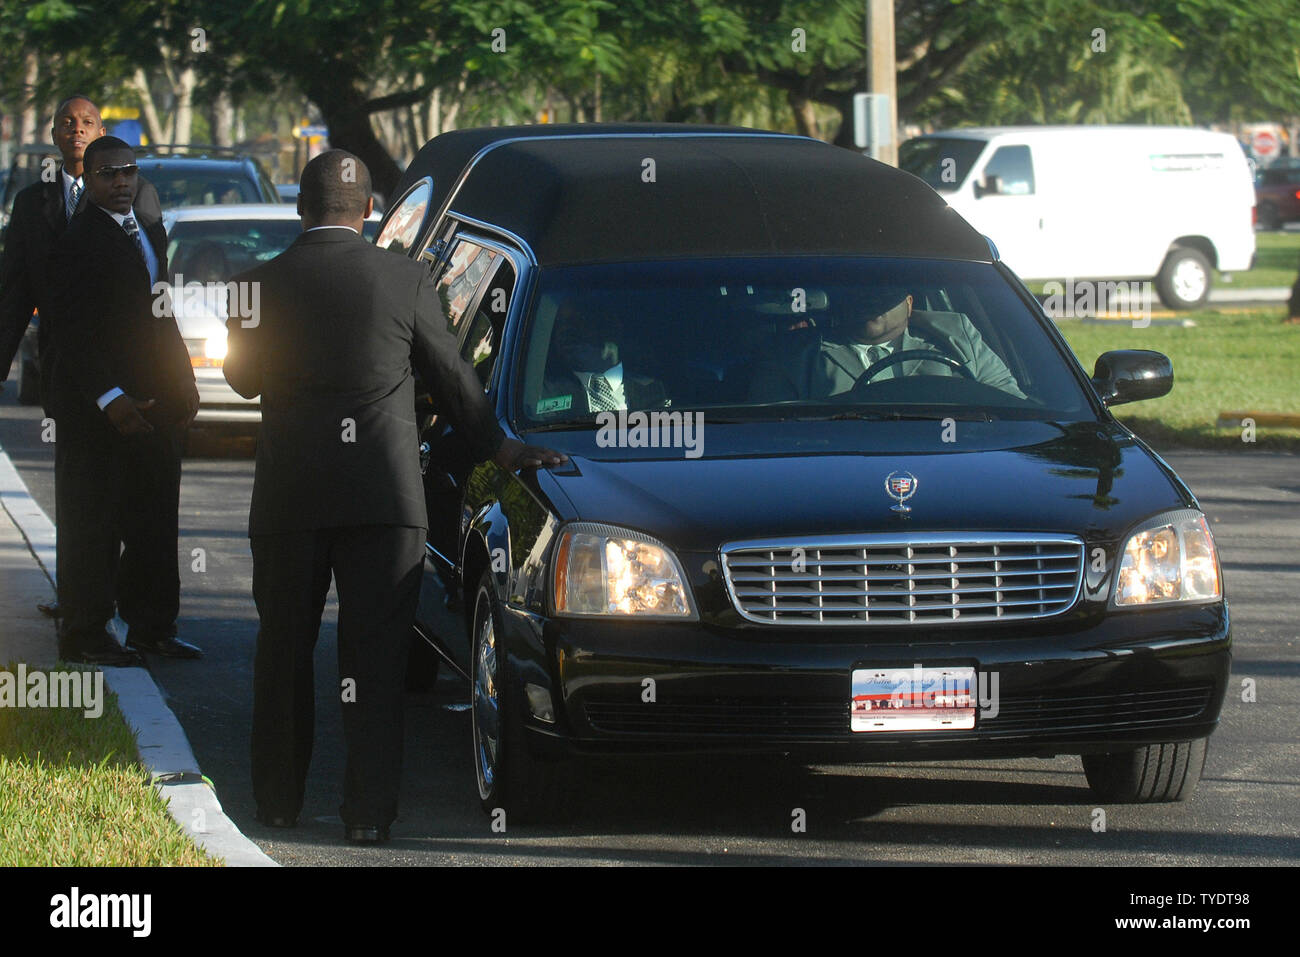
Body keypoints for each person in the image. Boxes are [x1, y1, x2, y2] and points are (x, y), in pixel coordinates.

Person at [223, 149, 565, 845]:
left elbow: (242, 384)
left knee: (283, 650)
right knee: (374, 659)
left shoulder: (255, 286)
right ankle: (369, 815)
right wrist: (502, 447)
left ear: (300, 206)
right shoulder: (407, 279)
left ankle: (279, 803)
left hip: (291, 501)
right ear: (371, 210)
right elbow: (455, 383)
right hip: (384, 496)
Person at [0, 95, 162, 623]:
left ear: (102, 131)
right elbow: (15, 292)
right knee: (81, 499)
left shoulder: (142, 197)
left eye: (87, 122)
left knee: (145, 505)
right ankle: (79, 602)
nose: (77, 130)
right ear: (53, 135)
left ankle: (149, 618)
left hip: (140, 374)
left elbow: (156, 287)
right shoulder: (33, 205)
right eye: (67, 123)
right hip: (70, 372)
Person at [46, 136, 201, 666]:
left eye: (129, 173)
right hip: (99, 412)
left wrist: (184, 384)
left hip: (158, 404)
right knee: (94, 523)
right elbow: (70, 334)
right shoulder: (75, 242)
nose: (121, 183)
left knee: (155, 519)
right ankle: (85, 633)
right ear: (87, 181)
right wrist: (110, 399)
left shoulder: (149, 231)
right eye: (108, 174)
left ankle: (152, 628)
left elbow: (163, 316)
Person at [749, 286, 1024, 401]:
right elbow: (773, 433)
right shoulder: (794, 356)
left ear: (909, 303)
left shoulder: (955, 337)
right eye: (859, 291)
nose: (871, 300)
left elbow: (1012, 407)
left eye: (884, 292)